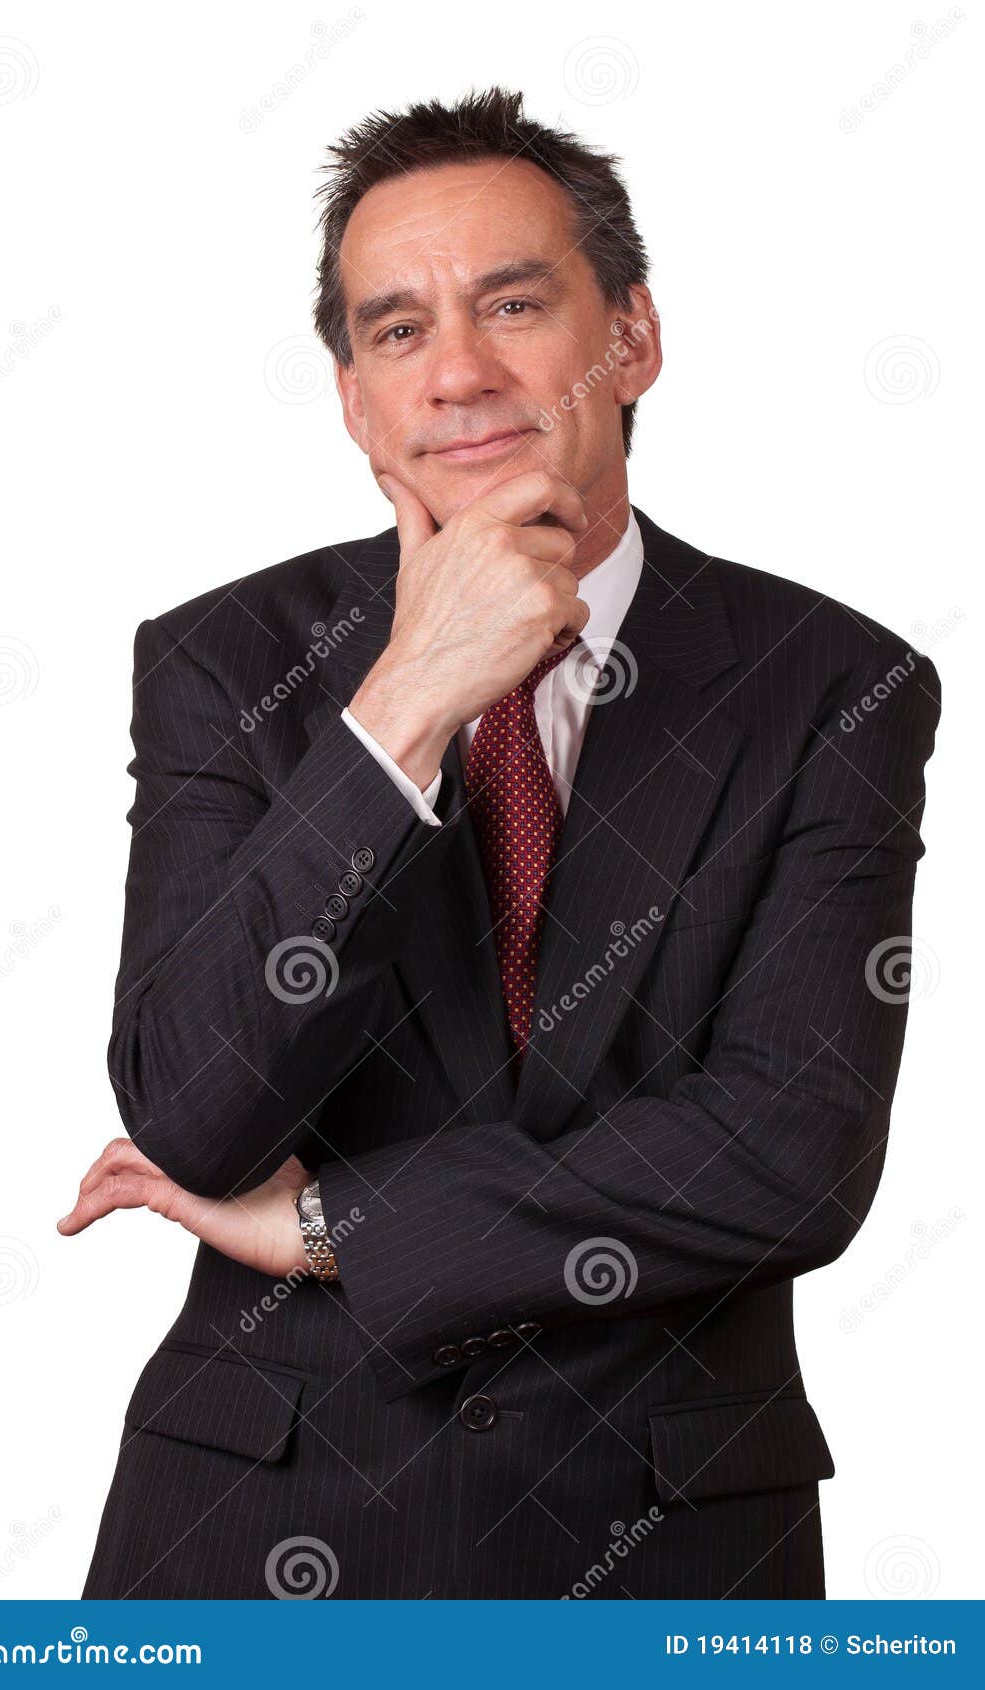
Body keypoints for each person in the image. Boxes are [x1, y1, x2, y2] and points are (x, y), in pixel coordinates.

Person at [60, 87, 940, 1600]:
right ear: (354, 398)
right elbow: (195, 1108)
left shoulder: (831, 684)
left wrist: (345, 1225)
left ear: (632, 339)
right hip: (257, 1523)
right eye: (396, 330)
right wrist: (400, 707)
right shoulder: (226, 660)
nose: (457, 372)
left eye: (514, 304)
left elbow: (794, 1156)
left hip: (673, 1545)